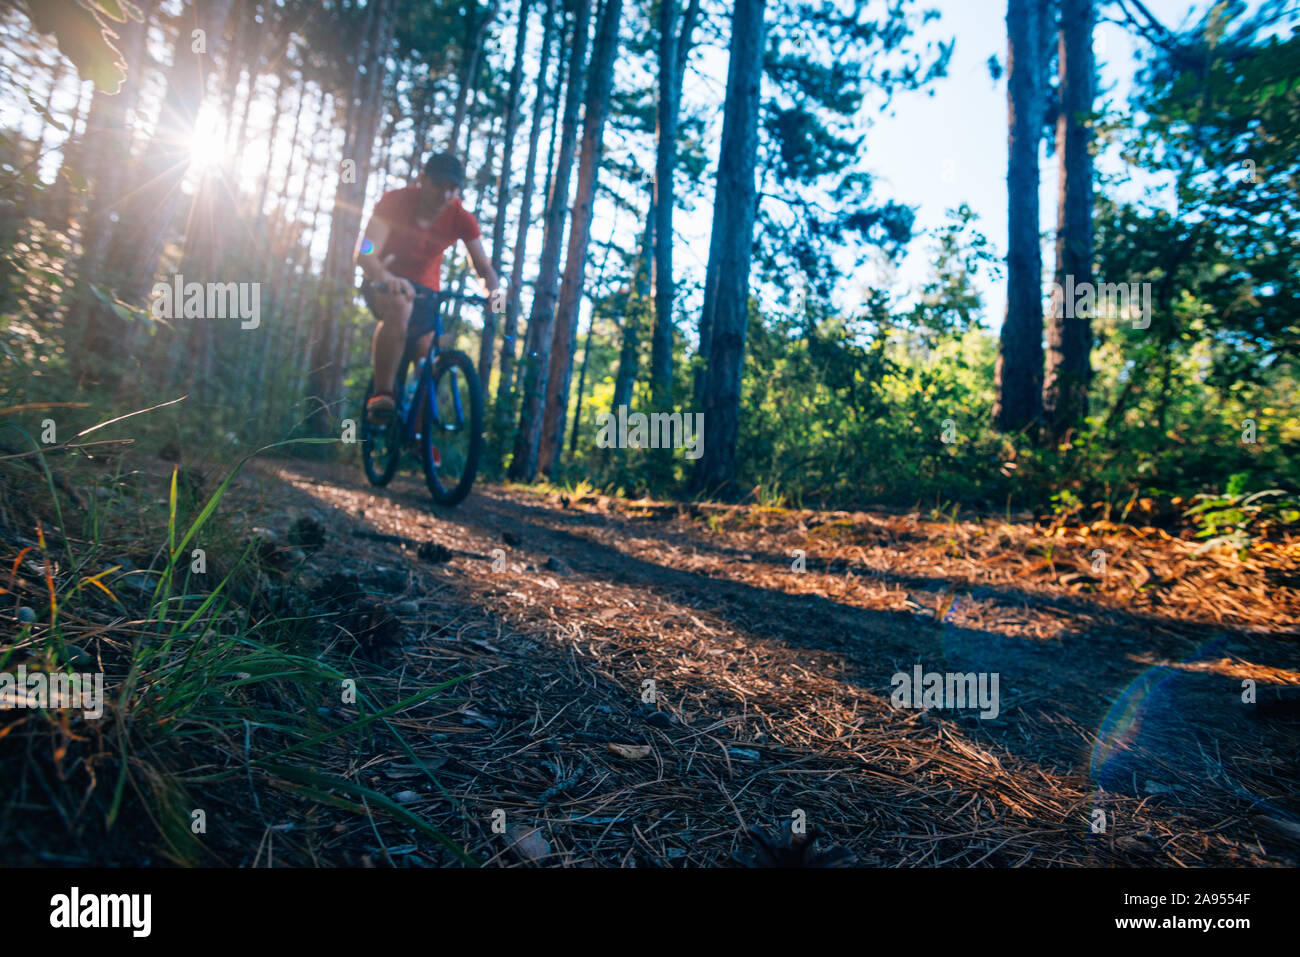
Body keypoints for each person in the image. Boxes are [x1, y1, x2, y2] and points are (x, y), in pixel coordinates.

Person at [357, 151, 499, 424]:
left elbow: (483, 267)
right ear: (423, 180)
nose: (445, 195)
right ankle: (382, 395)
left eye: (453, 189)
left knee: (427, 356)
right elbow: (364, 253)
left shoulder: (461, 217)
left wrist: (494, 293)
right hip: (382, 280)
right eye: (438, 185)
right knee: (400, 306)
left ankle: (420, 438)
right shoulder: (394, 202)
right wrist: (387, 278)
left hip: (426, 291)